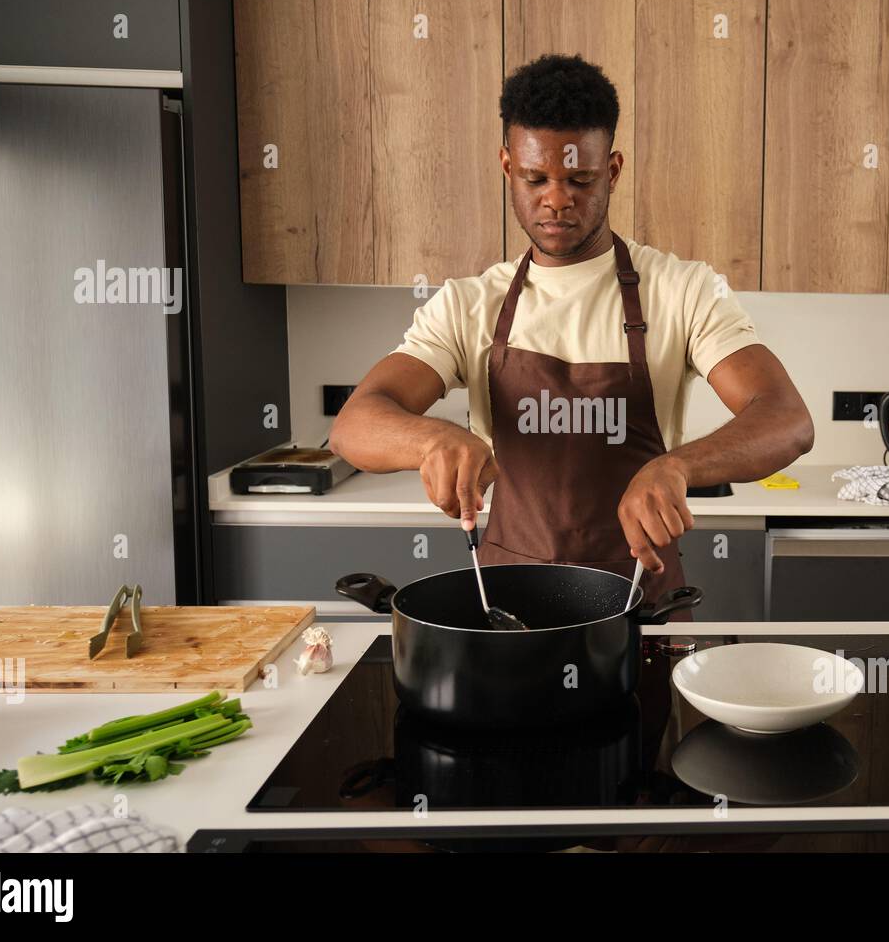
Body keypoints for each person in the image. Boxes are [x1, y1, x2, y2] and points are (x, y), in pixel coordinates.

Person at [331, 54, 814, 602]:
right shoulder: (468, 304)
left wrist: (678, 466)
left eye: (579, 179)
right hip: (509, 606)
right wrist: (430, 438)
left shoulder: (684, 290)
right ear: (508, 166)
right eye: (536, 178)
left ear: (611, 171)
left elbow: (786, 419)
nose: (556, 199)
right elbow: (354, 426)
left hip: (640, 601)